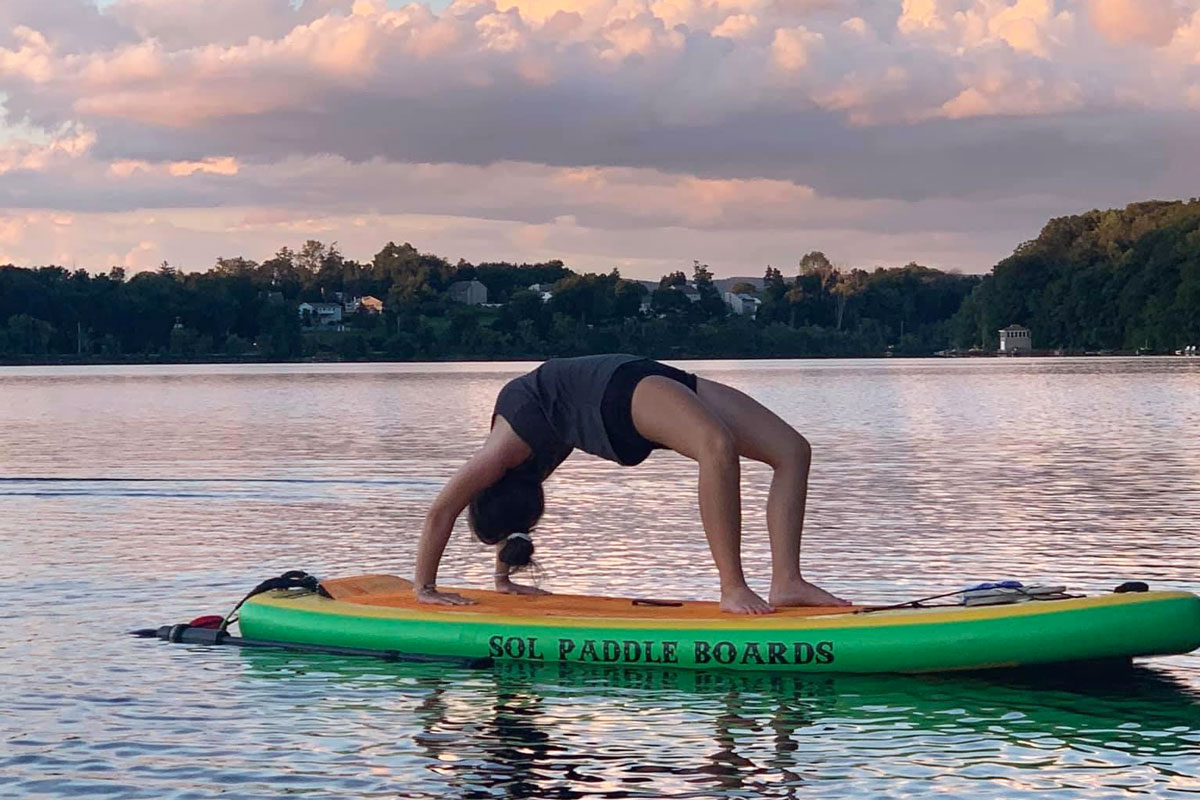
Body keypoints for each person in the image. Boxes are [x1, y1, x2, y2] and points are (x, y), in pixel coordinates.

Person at [414, 354, 848, 614]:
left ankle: (787, 580)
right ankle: (732, 586)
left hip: (631, 383)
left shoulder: (502, 450)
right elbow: (510, 522)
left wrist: (425, 588)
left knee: (792, 450)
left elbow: (441, 510)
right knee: (716, 446)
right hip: (626, 389)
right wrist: (503, 579)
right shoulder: (517, 461)